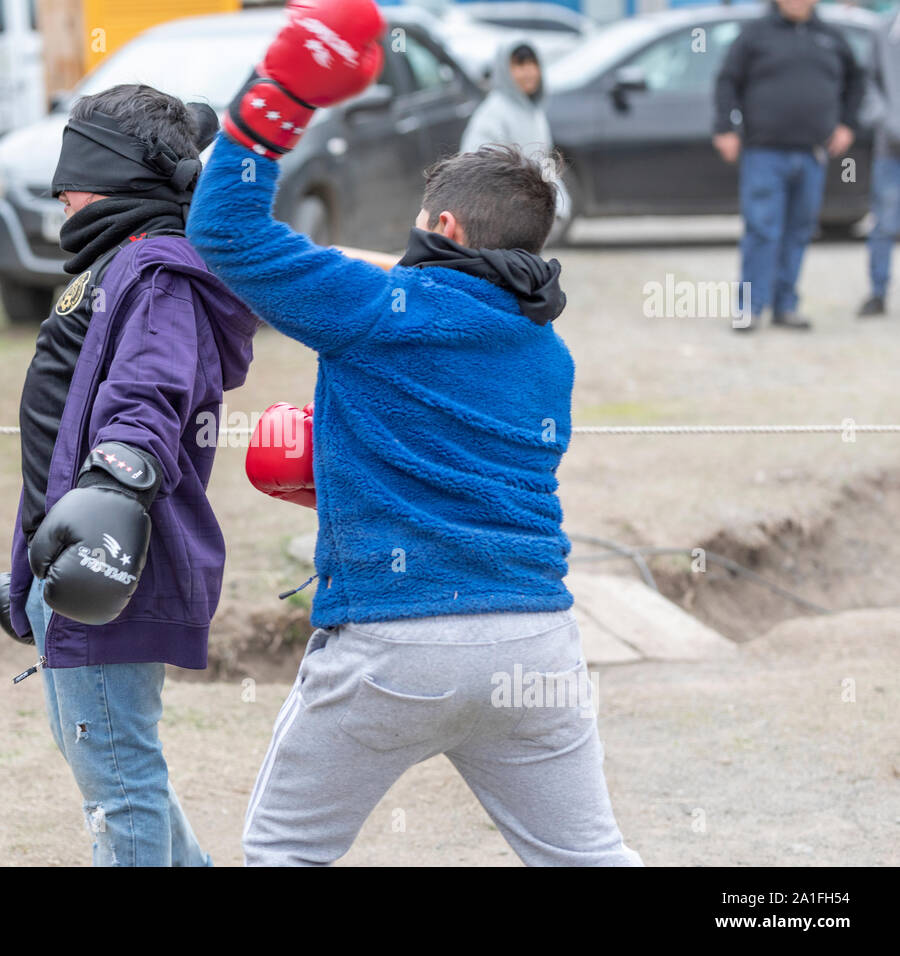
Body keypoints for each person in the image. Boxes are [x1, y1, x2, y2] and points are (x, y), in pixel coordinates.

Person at [188, 0, 642, 866]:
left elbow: (225, 231)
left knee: (284, 852)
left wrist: (274, 99)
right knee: (590, 858)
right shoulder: (550, 353)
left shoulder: (375, 309)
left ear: (443, 228)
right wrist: (351, 465)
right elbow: (465, 454)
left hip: (397, 639)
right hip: (536, 639)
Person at [0, 83, 257, 866]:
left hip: (112, 562)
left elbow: (149, 390)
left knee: (120, 785)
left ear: (112, 179)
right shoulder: (119, 266)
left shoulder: (159, 275)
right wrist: (32, 561)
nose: (59, 193)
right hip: (67, 560)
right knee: (109, 765)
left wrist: (117, 482)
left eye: (74, 173)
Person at [713, 0, 863, 332]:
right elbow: (727, 81)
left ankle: (785, 305)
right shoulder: (754, 35)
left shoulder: (831, 37)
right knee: (762, 230)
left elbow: (856, 81)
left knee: (799, 230)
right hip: (764, 153)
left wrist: (847, 124)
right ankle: (749, 308)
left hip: (812, 155)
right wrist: (725, 128)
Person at [460, 40, 569, 235]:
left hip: (530, 218)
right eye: (519, 65)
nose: (528, 72)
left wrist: (560, 203)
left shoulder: (534, 111)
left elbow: (542, 159)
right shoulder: (493, 115)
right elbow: (475, 169)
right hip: (502, 222)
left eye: (532, 64)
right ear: (504, 70)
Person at [859, 11, 900, 318]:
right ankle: (878, 291)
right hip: (891, 147)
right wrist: (887, 121)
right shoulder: (882, 29)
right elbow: (868, 82)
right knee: (884, 223)